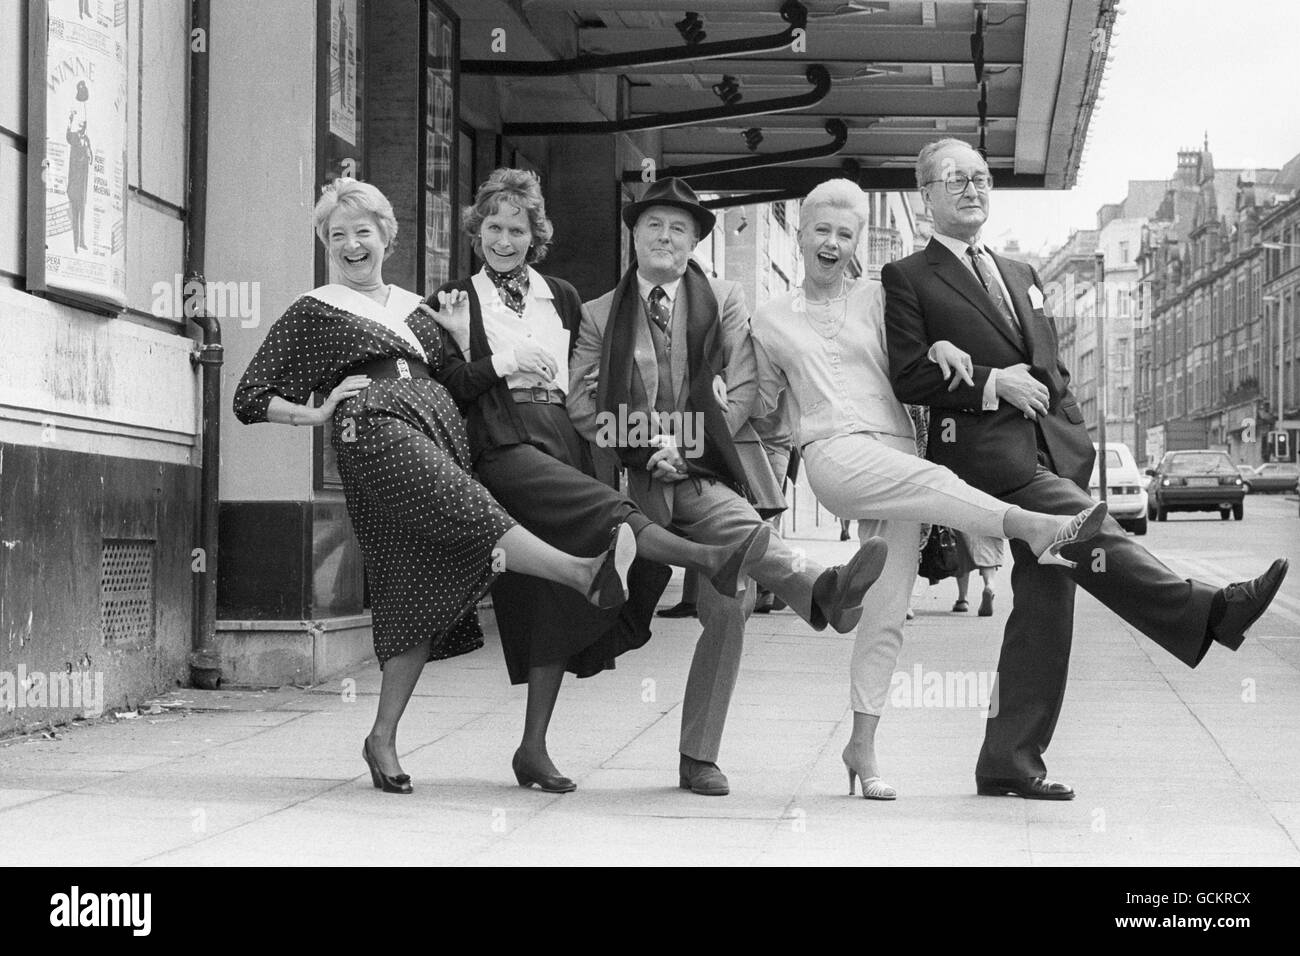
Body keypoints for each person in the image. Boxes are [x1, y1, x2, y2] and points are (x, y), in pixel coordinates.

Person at [883, 138, 1290, 799]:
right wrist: (992, 382)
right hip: (983, 458)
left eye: (982, 178)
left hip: (1052, 451)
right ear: (925, 194)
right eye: (954, 180)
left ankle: (1009, 760)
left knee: (1047, 601)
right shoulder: (908, 277)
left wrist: (1069, 432)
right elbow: (908, 372)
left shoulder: (1023, 274)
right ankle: (1208, 612)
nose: (973, 189)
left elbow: (1054, 370)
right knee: (1080, 526)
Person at [233, 178, 640, 795]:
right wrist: (315, 413)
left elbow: (460, 380)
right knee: (473, 510)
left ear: (386, 238)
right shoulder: (313, 308)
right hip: (374, 430)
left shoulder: (419, 307)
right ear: (324, 244)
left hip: (437, 435)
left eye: (362, 232)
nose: (351, 245)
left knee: (416, 585)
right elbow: (249, 396)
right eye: (336, 235)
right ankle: (583, 574)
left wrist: (455, 331)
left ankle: (381, 739)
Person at [751, 178, 1109, 800]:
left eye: (845, 233)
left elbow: (914, 354)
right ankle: (1032, 526)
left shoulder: (878, 298)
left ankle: (861, 749)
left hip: (895, 454)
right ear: (800, 233)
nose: (831, 243)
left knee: (888, 613)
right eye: (821, 231)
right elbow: (758, 405)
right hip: (834, 455)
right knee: (937, 481)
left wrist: (942, 341)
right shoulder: (770, 318)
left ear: (857, 242)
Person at [425, 168, 768, 793]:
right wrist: (482, 353)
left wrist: (660, 445)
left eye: (518, 228)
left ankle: (532, 749)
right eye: (493, 228)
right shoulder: (453, 299)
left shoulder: (561, 296)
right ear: (476, 232)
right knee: (605, 517)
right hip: (506, 441)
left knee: (553, 594)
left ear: (536, 235)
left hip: (568, 441)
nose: (504, 239)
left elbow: (590, 387)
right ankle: (709, 557)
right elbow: (450, 387)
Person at [568, 176, 889, 797]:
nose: (666, 237)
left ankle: (699, 756)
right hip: (631, 483)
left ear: (694, 242)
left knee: (732, 597)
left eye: (679, 228)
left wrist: (682, 447)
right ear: (633, 234)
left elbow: (742, 391)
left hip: (702, 471)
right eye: (654, 225)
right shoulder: (597, 313)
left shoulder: (723, 298)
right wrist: (645, 444)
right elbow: (581, 402)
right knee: (735, 555)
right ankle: (819, 591)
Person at [951, 531, 1003, 616]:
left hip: (964, 518)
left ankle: (962, 599)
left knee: (963, 549)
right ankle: (989, 585)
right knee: (988, 548)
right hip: (988, 519)